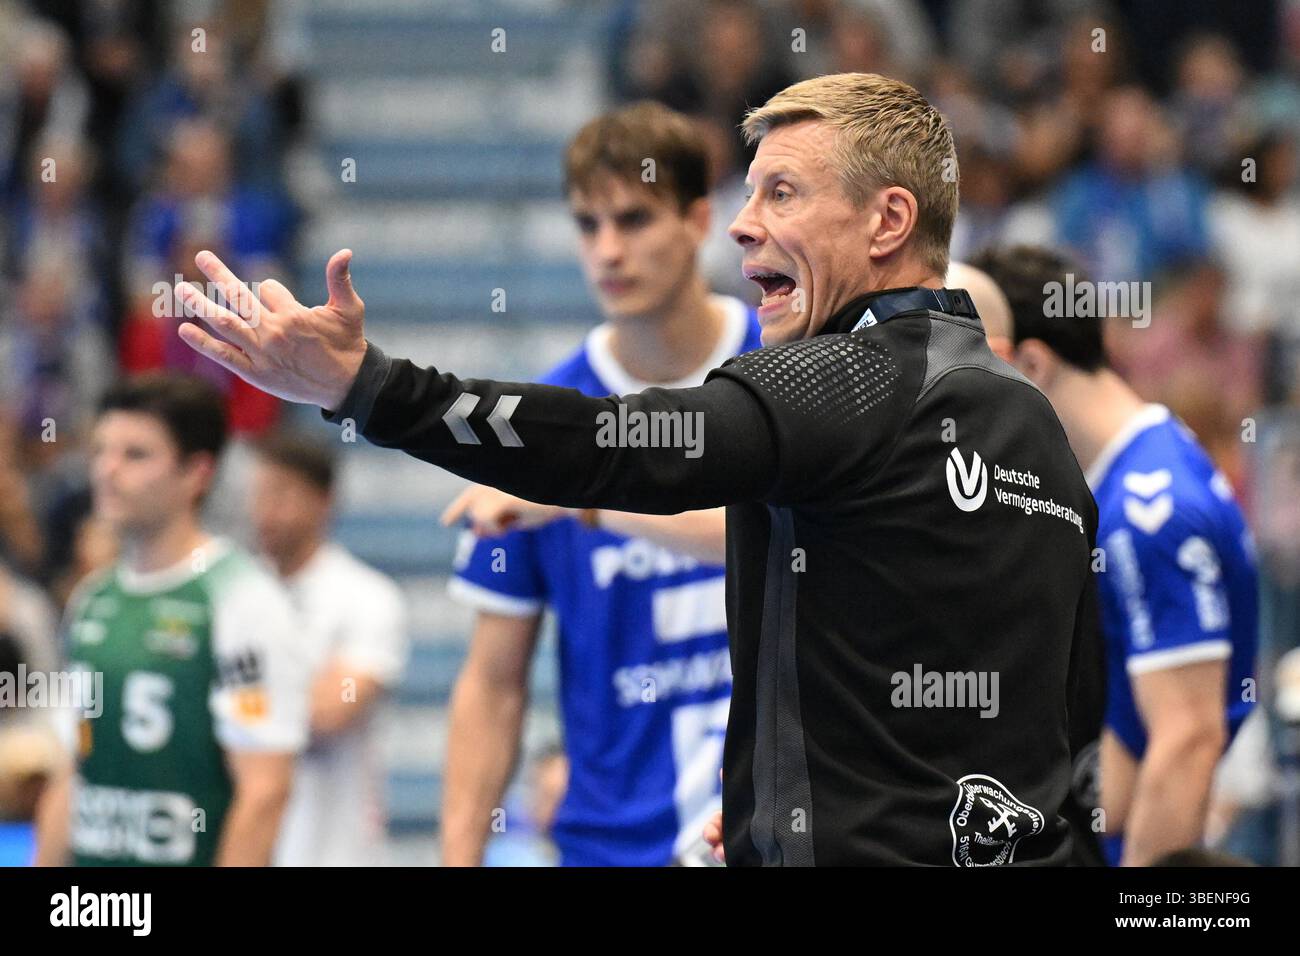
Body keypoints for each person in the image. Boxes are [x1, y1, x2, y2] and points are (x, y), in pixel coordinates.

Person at [175, 71, 1098, 866]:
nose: (741, 227)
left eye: (781, 194)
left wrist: (368, 385)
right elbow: (1073, 716)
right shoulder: (1036, 426)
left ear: (889, 219)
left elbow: (615, 447)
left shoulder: (839, 381)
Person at [440, 102, 759, 867]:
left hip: (783, 828)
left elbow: (787, 531)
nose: (608, 250)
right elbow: (492, 684)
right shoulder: (542, 422)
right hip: (616, 845)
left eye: (635, 219)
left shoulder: (783, 372)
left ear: (697, 219)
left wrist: (581, 498)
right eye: (588, 225)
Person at [972, 244, 1259, 866]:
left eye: (975, 372)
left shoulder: (1148, 510)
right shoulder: (1129, 474)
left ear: (1032, 363)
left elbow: (1187, 738)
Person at [34, 373, 309, 866]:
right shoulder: (93, 599)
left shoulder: (241, 600)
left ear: (196, 473)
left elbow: (264, 791)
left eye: (135, 455)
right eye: (100, 451)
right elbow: (72, 770)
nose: (106, 471)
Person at [248, 432, 409, 867]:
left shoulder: (368, 596)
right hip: (250, 842)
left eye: (280, 494)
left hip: (337, 848)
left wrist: (233, 698)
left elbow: (330, 713)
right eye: (259, 494)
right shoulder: (233, 593)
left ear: (323, 501)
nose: (264, 511)